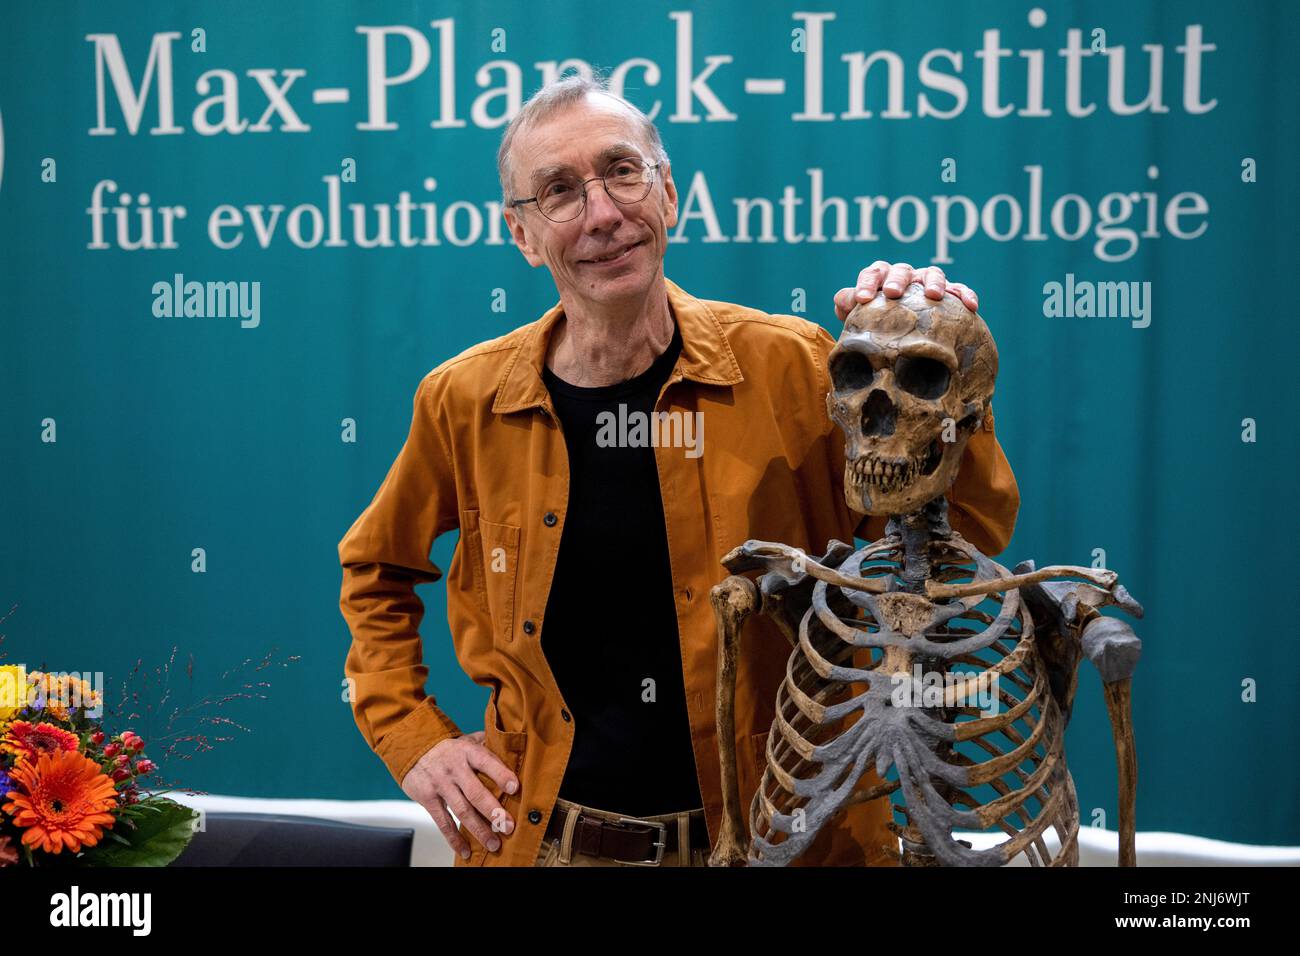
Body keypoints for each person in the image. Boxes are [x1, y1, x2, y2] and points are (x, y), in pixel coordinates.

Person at [338, 73, 1020, 867]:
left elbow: (964, 537)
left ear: (669, 196)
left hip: (785, 847)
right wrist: (413, 738)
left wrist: (941, 358)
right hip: (542, 847)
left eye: (622, 172)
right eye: (559, 191)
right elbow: (375, 569)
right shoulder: (465, 401)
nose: (602, 213)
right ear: (522, 236)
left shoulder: (798, 368)